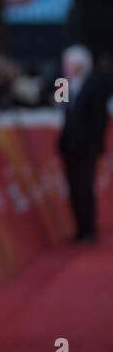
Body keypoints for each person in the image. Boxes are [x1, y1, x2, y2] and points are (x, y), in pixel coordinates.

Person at [57, 44, 110, 243]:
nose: (66, 67)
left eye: (70, 63)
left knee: (85, 187)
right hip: (69, 146)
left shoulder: (93, 85)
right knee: (73, 188)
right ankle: (80, 229)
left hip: (87, 147)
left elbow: (100, 118)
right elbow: (59, 107)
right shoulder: (64, 83)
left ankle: (89, 230)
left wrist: (96, 143)